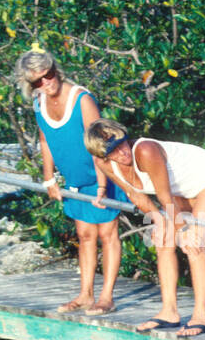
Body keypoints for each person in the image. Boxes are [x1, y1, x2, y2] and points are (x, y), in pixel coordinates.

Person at [85, 119, 205, 337]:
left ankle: (201, 316)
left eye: (122, 143)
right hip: (179, 190)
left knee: (193, 243)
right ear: (103, 156)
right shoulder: (104, 164)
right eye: (113, 151)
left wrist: (182, 231)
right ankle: (169, 312)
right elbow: (135, 194)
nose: (123, 153)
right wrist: (159, 221)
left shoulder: (145, 150)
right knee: (163, 241)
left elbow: (164, 196)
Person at [15, 48, 125, 315]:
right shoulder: (38, 102)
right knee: (85, 235)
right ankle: (86, 294)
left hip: (103, 174)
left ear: (56, 70)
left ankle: (106, 297)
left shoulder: (82, 99)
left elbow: (100, 144)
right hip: (76, 181)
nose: (46, 83)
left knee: (107, 233)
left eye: (49, 75)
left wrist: (101, 186)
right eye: (37, 81)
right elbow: (45, 140)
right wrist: (48, 178)